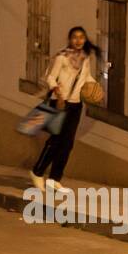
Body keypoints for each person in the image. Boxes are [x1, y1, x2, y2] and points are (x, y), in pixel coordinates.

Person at [29, 26, 101, 193]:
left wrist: (95, 87)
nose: (78, 40)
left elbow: (85, 77)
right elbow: (50, 77)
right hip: (60, 102)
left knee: (67, 143)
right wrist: (57, 91)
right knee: (55, 140)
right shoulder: (62, 57)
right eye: (75, 37)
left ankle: (55, 179)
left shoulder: (85, 58)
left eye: (81, 37)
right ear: (70, 39)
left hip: (75, 104)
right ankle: (37, 172)